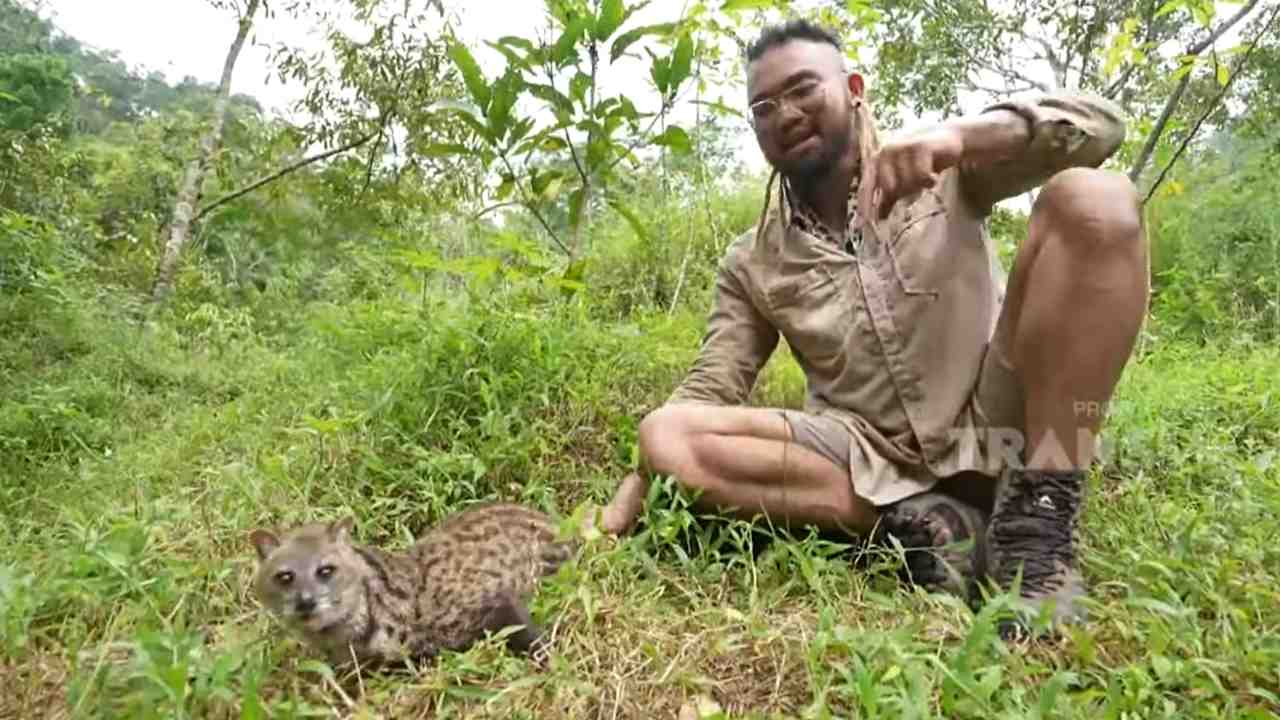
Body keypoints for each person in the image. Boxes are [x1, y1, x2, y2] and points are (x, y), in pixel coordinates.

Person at [593, 19, 1149, 641]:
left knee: (1097, 201)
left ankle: (1038, 526)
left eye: (803, 89)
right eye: (763, 107)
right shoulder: (752, 261)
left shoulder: (942, 170)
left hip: (992, 420)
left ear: (853, 88)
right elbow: (709, 389)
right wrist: (633, 492)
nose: (785, 114)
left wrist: (961, 135)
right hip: (867, 461)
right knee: (668, 434)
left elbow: (1103, 129)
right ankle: (929, 527)